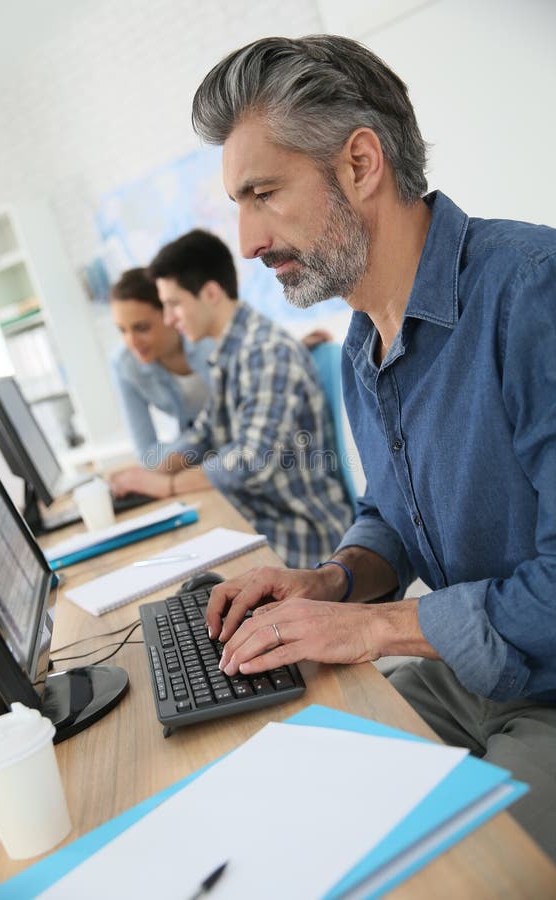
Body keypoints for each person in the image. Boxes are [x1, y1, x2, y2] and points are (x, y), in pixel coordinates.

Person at [190, 35, 556, 858]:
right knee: (274, 820)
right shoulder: (365, 342)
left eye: (262, 194)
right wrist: (332, 578)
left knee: (442, 871)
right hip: (469, 678)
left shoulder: (534, 292)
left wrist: (375, 628)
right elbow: (391, 514)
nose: (246, 240)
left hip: (548, 694)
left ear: (360, 164)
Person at [109, 228, 353, 569]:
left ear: (210, 293)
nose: (168, 320)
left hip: (301, 542)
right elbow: (203, 434)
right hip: (262, 523)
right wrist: (147, 472)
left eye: (174, 304)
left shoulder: (264, 353)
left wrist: (167, 486)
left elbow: (248, 463)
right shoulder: (232, 352)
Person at [110, 267, 214, 467]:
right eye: (122, 330)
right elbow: (147, 454)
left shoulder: (208, 340)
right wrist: (200, 444)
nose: (132, 342)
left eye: (141, 328)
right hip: (206, 461)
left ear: (169, 314)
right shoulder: (124, 365)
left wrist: (184, 452)